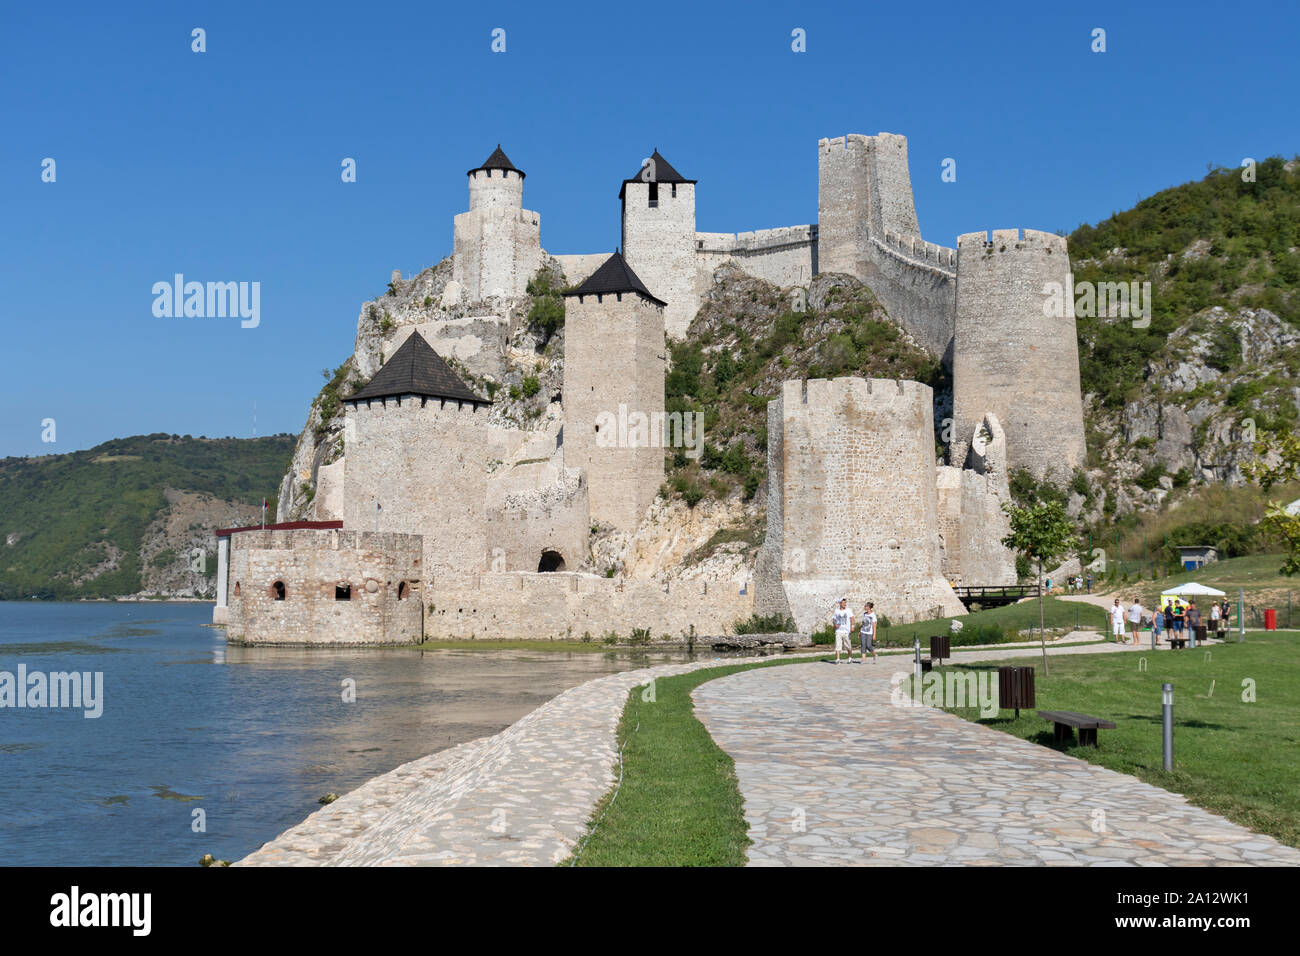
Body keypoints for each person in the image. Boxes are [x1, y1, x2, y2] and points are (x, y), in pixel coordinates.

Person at [831, 597, 854, 664]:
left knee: (848, 646)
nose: (845, 604)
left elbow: (852, 618)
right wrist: (835, 624)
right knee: (838, 645)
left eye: (845, 603)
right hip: (839, 630)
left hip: (846, 631)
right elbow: (833, 619)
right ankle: (838, 659)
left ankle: (850, 657)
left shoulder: (849, 610)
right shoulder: (836, 611)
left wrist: (852, 627)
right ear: (840, 603)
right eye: (843, 603)